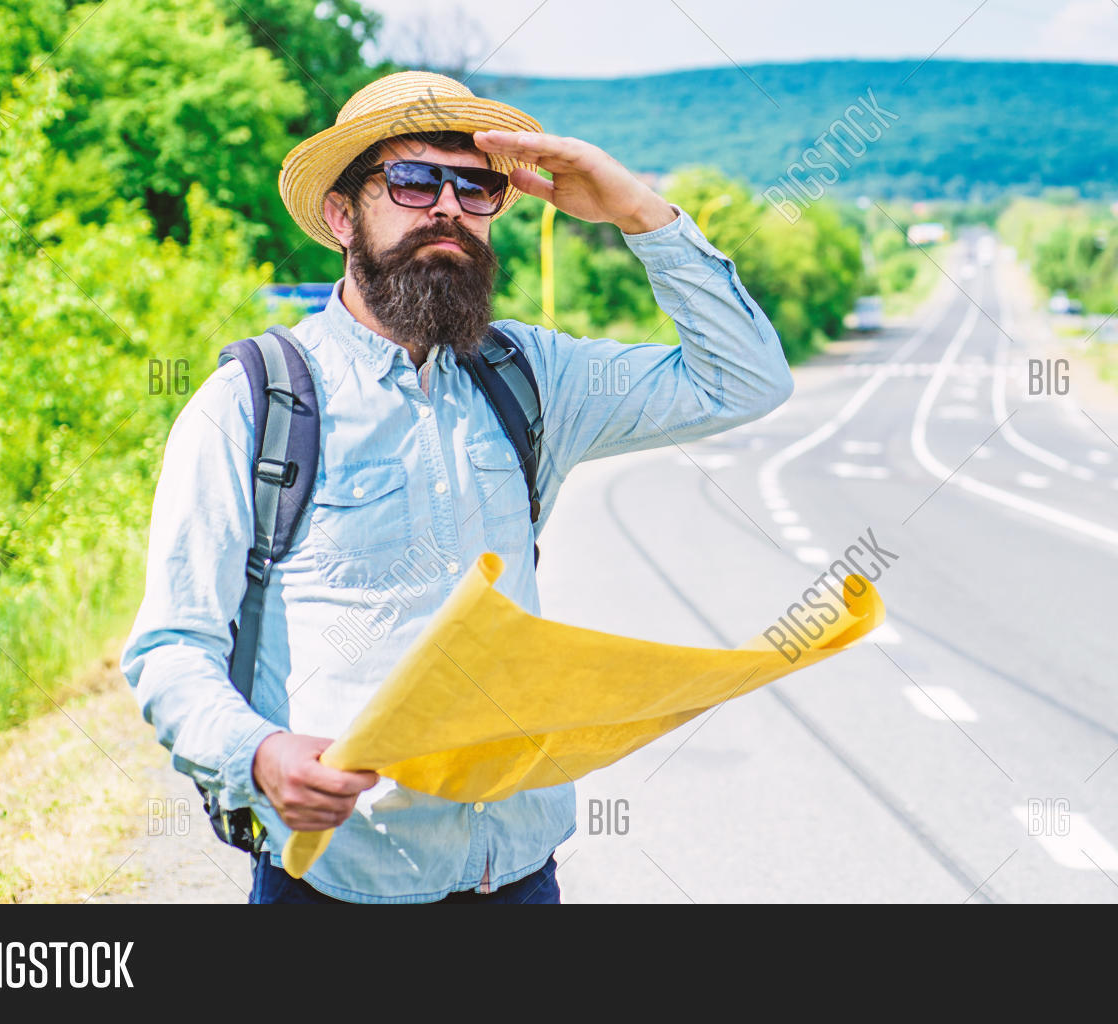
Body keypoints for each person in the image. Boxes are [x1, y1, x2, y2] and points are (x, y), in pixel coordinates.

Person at [120, 71, 793, 904]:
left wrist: (635, 211)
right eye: (412, 180)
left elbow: (744, 381)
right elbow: (170, 649)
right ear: (341, 215)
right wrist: (258, 755)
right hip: (340, 881)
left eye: (475, 186)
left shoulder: (530, 377)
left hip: (517, 874)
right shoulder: (255, 402)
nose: (447, 206)